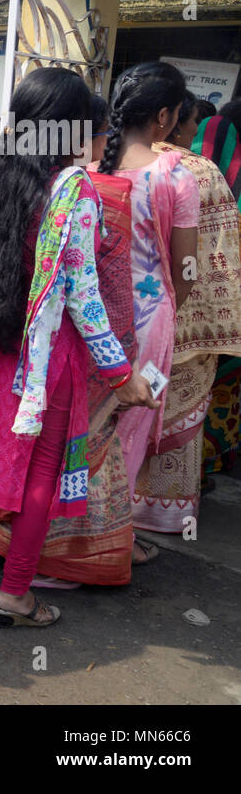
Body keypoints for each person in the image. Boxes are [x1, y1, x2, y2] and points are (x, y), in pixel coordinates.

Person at [0, 67, 158, 627]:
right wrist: (122, 375)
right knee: (41, 472)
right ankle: (15, 592)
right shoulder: (73, 190)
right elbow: (82, 295)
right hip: (46, 357)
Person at [96, 62, 199, 553]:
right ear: (164, 117)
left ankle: (63, 538)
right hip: (150, 320)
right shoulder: (176, 177)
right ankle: (111, 539)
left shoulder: (91, 168)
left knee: (85, 428)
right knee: (130, 432)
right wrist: (166, 302)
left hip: (90, 321)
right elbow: (186, 271)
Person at [134, 95, 241, 532]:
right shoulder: (198, 171)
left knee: (119, 418)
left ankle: (107, 516)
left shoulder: (106, 164)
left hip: (119, 324)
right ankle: (160, 514)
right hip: (183, 323)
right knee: (171, 411)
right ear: (173, 120)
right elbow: (219, 256)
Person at [194, 101, 241, 476]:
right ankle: (209, 459)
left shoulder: (216, 130)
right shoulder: (219, 130)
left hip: (212, 275)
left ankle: (203, 460)